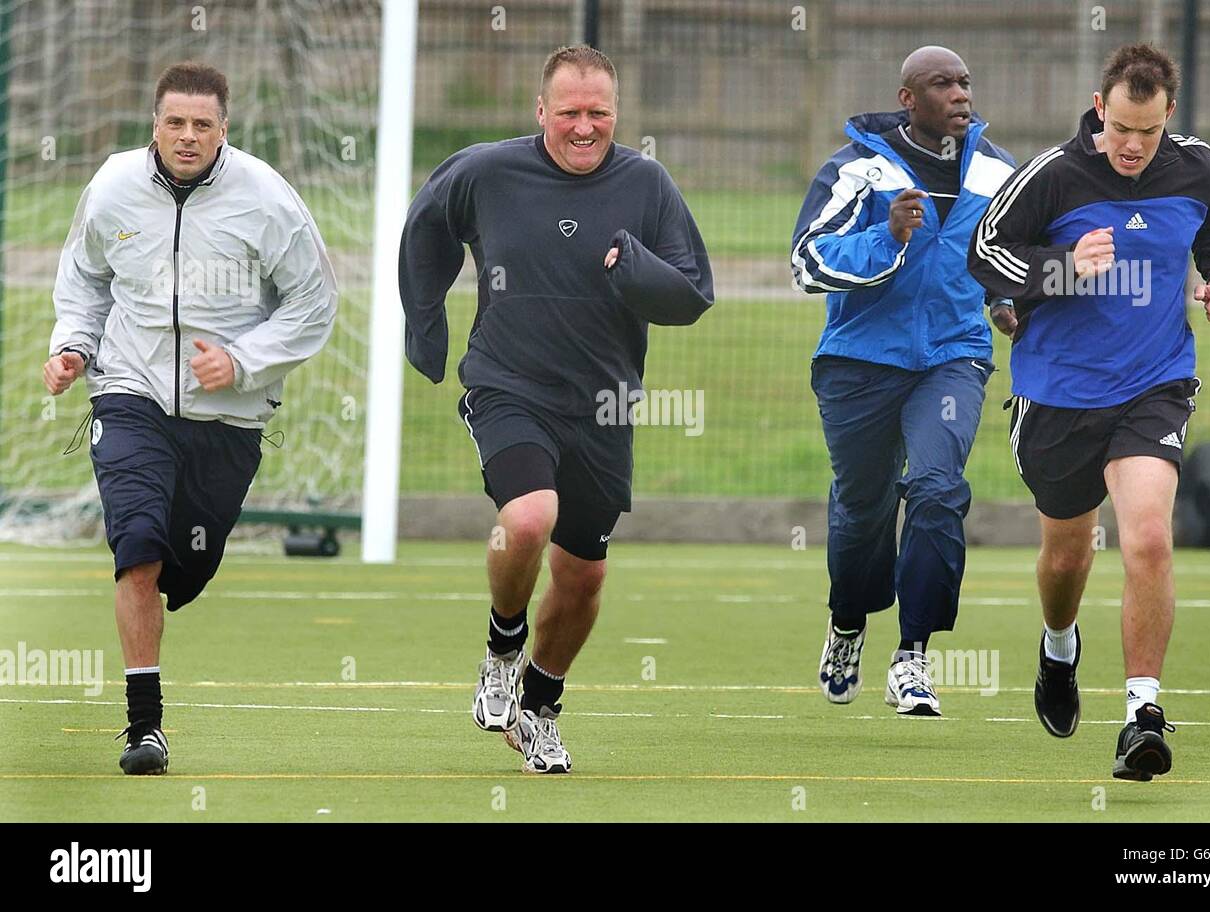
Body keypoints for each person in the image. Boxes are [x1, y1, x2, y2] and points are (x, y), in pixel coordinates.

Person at [399, 45, 712, 773]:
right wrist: (428, 330)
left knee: (583, 577)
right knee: (528, 516)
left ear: (616, 114)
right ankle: (503, 645)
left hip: (603, 406)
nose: (583, 126)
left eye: (598, 113)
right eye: (568, 112)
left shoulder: (647, 183)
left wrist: (634, 266)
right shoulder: (486, 172)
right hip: (509, 386)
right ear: (541, 111)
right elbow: (425, 231)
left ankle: (539, 707)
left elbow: (692, 294)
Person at [45, 62, 338, 775]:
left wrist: (240, 361)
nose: (187, 136)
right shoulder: (112, 186)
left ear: (224, 131)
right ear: (155, 123)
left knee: (189, 565)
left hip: (228, 419)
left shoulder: (267, 200)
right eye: (175, 121)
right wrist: (73, 346)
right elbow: (84, 278)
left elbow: (314, 304)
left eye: (202, 124)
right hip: (129, 394)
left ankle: (185, 566)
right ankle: (144, 729)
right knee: (138, 547)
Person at [967, 43, 1210, 780]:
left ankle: (1142, 714)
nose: (1131, 144)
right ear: (1100, 107)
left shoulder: (1203, 168)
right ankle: (1059, 647)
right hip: (1057, 395)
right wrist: (1060, 268)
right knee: (1067, 556)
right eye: (1121, 126)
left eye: (1147, 132)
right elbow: (984, 254)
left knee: (1148, 536)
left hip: (1155, 385)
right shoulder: (1053, 176)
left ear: (1168, 118)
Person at [791, 47, 1015, 716]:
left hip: (953, 357)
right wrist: (887, 237)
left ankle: (913, 656)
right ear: (909, 98)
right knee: (864, 510)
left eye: (965, 81)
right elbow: (808, 261)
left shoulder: (998, 173)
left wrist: (1006, 302)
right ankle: (849, 623)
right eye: (942, 83)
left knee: (938, 489)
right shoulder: (857, 169)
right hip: (859, 362)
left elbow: (1002, 259)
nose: (960, 94)